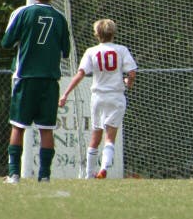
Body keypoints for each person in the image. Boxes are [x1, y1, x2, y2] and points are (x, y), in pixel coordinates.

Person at [1, 0, 71, 184]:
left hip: (25, 77)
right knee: (47, 129)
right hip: (49, 80)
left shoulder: (21, 13)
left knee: (18, 125)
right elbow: (65, 51)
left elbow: (6, 42)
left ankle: (13, 174)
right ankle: (45, 176)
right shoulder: (60, 18)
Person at [58, 19, 137, 179]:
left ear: (96, 34)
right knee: (110, 137)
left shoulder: (91, 51)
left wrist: (65, 94)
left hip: (98, 97)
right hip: (116, 97)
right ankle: (104, 168)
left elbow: (80, 73)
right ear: (113, 33)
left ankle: (88, 174)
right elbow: (132, 72)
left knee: (95, 136)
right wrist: (129, 83)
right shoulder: (121, 50)